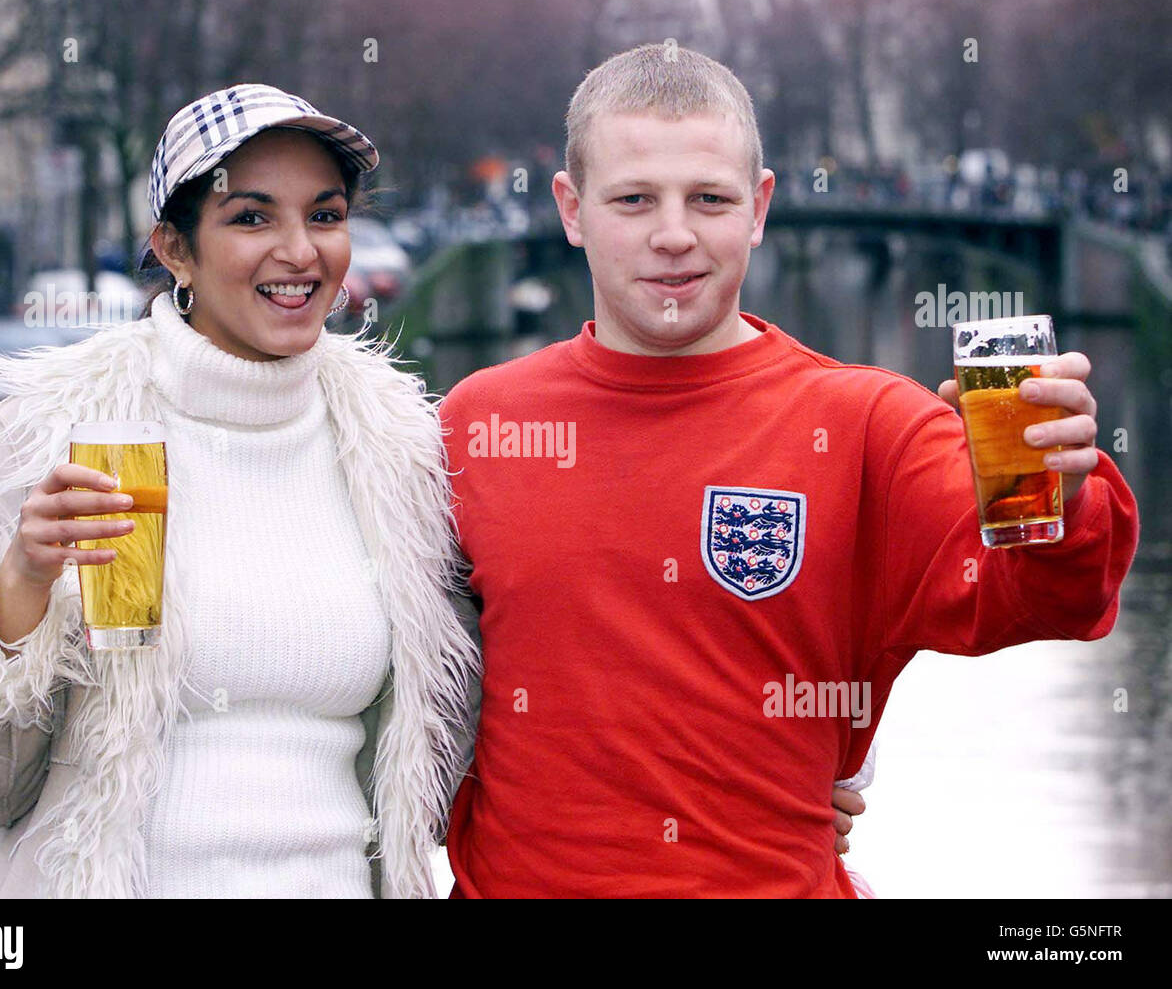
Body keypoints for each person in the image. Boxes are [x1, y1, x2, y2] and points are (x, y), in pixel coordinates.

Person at [439, 45, 1140, 897]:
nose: (673, 234)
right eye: (633, 200)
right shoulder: (474, 423)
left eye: (710, 199)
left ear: (760, 207)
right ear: (571, 209)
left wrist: (1059, 495)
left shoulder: (867, 424)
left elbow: (1041, 598)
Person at [0, 84, 478, 898]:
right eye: (251, 218)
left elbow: (436, 759)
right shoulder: (46, 438)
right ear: (174, 250)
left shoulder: (404, 451)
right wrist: (22, 592)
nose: (300, 251)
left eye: (324, 216)